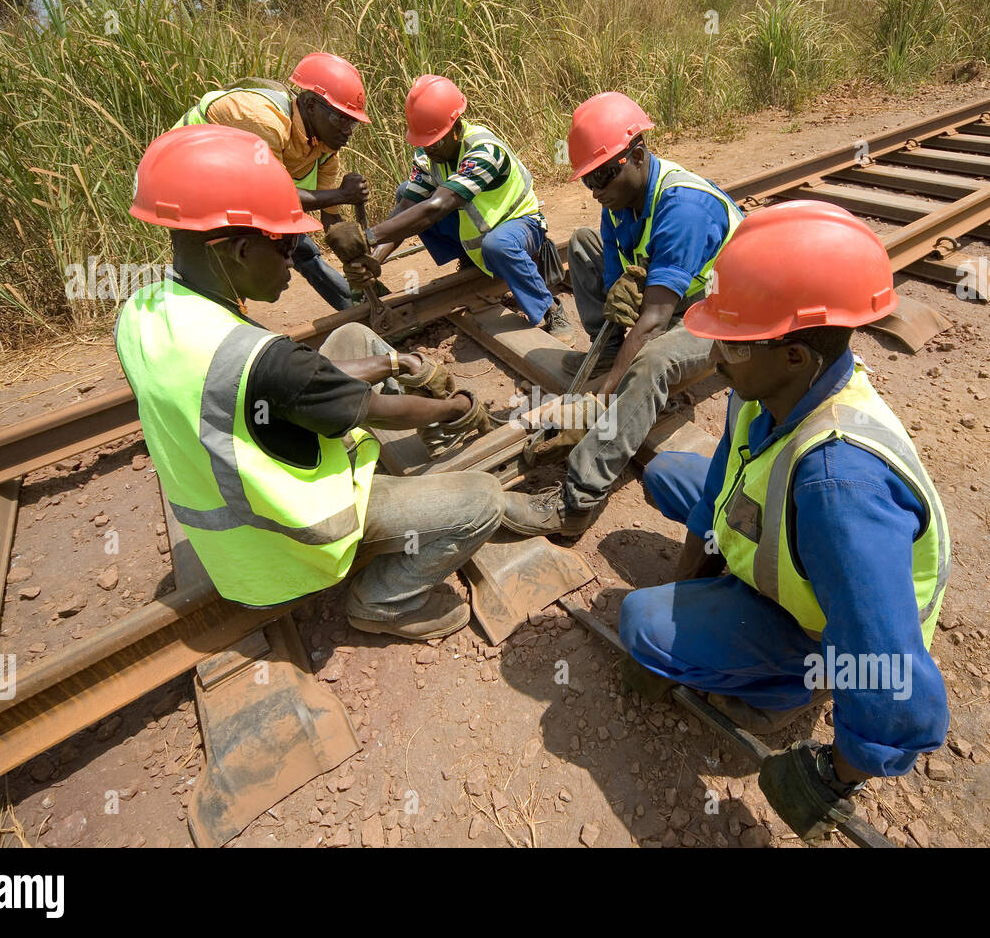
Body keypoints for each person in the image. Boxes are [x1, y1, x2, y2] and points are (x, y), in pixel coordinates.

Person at [617, 202, 951, 840]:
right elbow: (719, 488)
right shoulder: (771, 391)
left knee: (642, 622)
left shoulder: (838, 487)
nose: (715, 355)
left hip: (826, 632)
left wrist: (837, 772)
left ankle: (784, 693)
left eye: (732, 342)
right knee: (667, 476)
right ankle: (724, 620)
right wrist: (690, 584)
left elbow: (896, 680)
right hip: (793, 551)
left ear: (795, 355)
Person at [115, 123, 501, 641]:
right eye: (286, 243)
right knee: (485, 500)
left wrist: (388, 365)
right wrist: (452, 407)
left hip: (237, 498)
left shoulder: (143, 312)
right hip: (289, 533)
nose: (297, 261)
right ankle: (385, 603)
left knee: (354, 338)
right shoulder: (265, 360)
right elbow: (368, 407)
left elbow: (282, 388)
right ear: (236, 250)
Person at [498, 91, 743, 537]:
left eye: (605, 176)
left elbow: (651, 320)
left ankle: (577, 501)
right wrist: (623, 302)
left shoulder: (682, 208)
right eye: (589, 180)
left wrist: (599, 400)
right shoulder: (618, 204)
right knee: (583, 244)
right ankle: (611, 359)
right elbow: (617, 290)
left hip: (725, 312)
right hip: (673, 300)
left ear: (637, 155)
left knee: (653, 361)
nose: (597, 190)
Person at [330, 74, 574, 343]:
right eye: (423, 142)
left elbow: (438, 206)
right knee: (405, 194)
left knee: (497, 244)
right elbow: (409, 205)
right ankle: (471, 259)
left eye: (434, 141)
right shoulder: (428, 154)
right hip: (481, 232)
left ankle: (550, 309)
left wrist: (368, 237)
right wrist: (374, 257)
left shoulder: (484, 150)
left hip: (521, 225)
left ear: (455, 128)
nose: (428, 148)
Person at [175, 53, 372, 311]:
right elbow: (274, 197)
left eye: (353, 123)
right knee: (224, 258)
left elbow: (330, 216)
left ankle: (357, 305)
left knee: (299, 247)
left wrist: (355, 257)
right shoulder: (263, 120)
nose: (347, 130)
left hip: (230, 185)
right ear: (311, 105)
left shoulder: (324, 149)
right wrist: (344, 194)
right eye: (341, 119)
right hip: (185, 179)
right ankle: (219, 325)